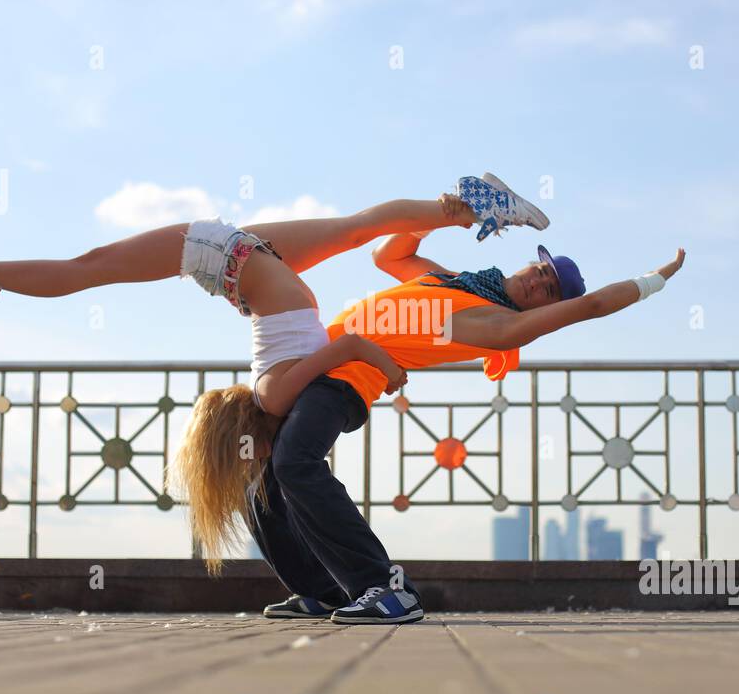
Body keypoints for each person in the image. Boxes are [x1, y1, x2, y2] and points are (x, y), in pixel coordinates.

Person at [0, 173, 551, 574]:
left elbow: (349, 334)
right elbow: (366, 303)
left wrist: (369, 354)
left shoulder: (274, 386)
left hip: (239, 265)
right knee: (93, 265)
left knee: (91, 265)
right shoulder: (275, 386)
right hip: (239, 267)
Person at [251, 203, 686, 625]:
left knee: (295, 462)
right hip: (311, 366)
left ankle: (386, 591)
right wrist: (450, 216)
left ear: (546, 307)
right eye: (540, 271)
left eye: (549, 290)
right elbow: (389, 255)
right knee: (261, 478)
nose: (538, 282)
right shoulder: (451, 282)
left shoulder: (499, 325)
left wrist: (653, 280)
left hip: (347, 380)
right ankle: (320, 591)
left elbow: (591, 306)